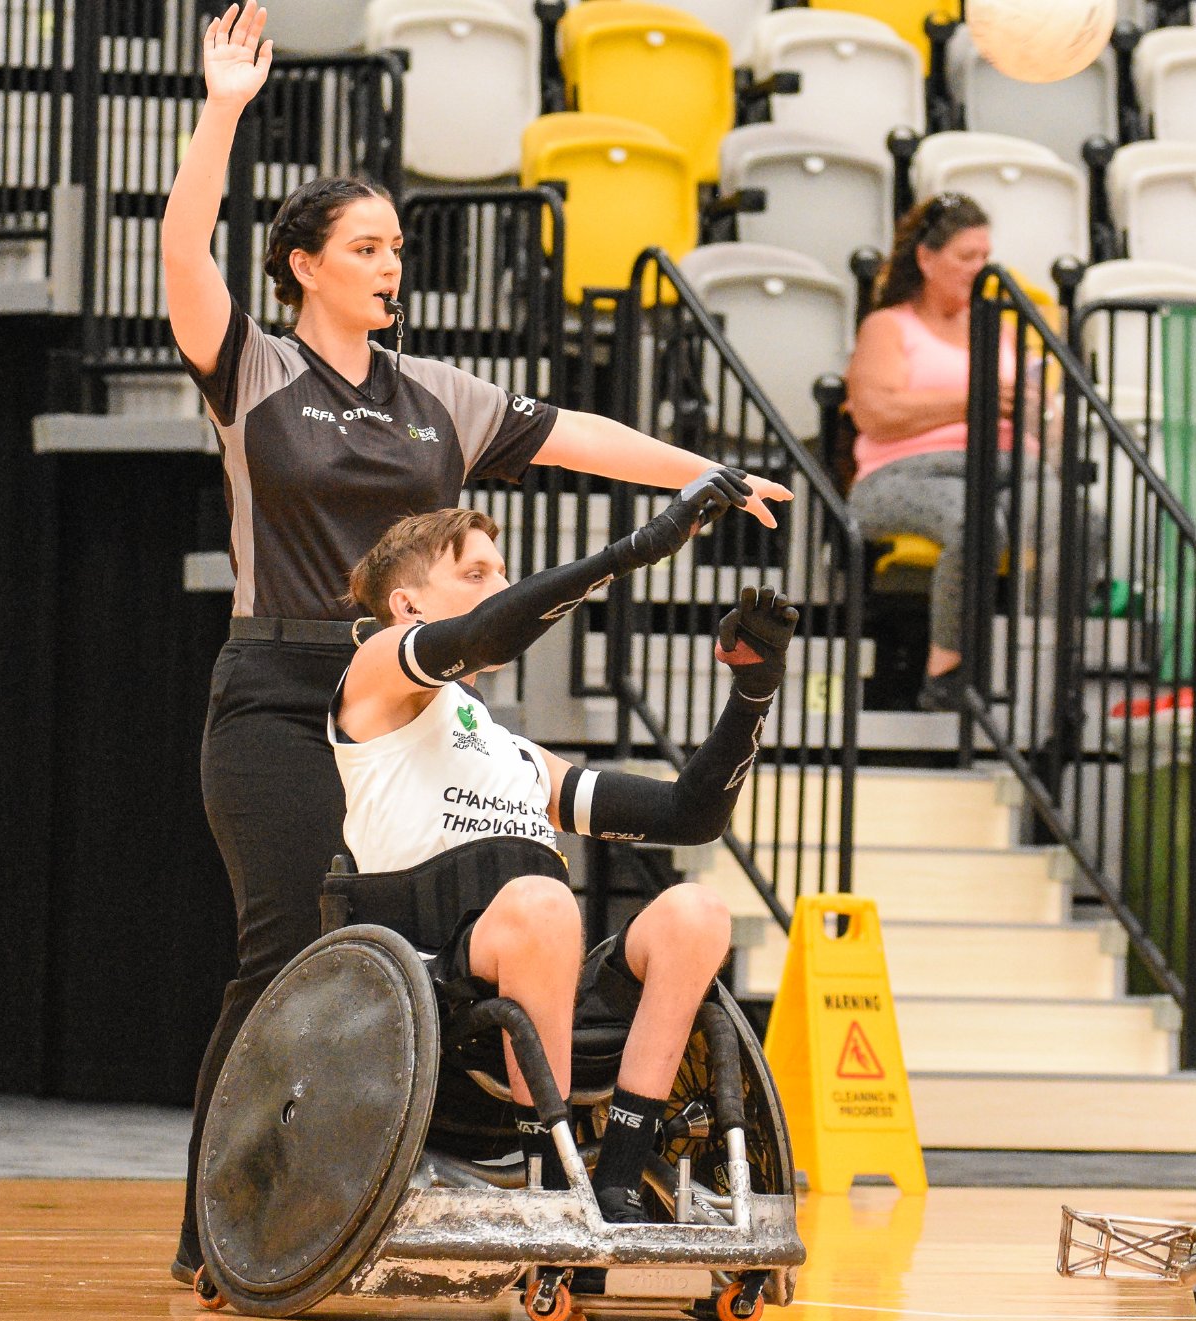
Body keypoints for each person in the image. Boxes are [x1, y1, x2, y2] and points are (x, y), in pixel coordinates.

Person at [161, 0, 793, 1281]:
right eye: (366, 247)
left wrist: (706, 473)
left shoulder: (436, 397)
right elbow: (180, 255)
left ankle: (452, 1174)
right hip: (283, 690)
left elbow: (578, 438)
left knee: (408, 946)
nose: (392, 265)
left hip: (415, 694)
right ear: (305, 266)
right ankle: (224, 1229)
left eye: (398, 246)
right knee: (282, 954)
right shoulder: (256, 373)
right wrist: (223, 111)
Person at [328, 480, 799, 1222]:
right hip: (432, 981)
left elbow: (691, 813)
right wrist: (633, 551)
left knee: (697, 912)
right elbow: (488, 633)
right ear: (407, 606)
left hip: (539, 970)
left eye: (501, 571)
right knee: (544, 904)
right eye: (475, 571)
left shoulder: (516, 755)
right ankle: (555, 1181)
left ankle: (617, 1174)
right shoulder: (373, 674)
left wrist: (752, 696)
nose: (501, 586)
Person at [843, 192, 1042, 712]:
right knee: (976, 521)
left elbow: (1038, 425)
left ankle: (1047, 669)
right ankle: (948, 673)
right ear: (926, 260)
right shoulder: (888, 325)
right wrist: (970, 403)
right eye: (966, 257)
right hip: (900, 474)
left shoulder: (1001, 331)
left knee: (1078, 517)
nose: (981, 269)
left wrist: (1044, 416)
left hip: (1003, 467)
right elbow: (875, 413)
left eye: (985, 256)